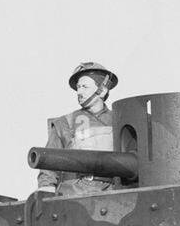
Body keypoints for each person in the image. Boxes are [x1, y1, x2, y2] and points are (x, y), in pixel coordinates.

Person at [37, 61, 120, 196]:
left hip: (114, 192)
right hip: (74, 194)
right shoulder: (64, 123)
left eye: (85, 87)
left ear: (102, 90)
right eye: (78, 87)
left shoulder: (120, 121)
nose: (79, 92)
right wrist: (46, 187)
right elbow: (49, 162)